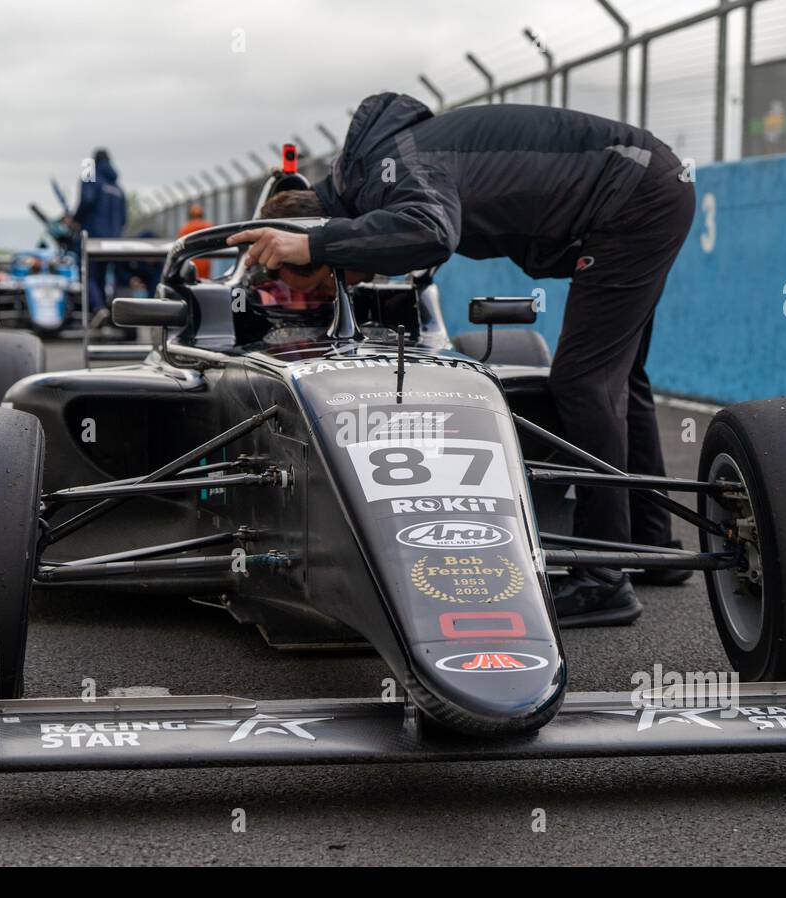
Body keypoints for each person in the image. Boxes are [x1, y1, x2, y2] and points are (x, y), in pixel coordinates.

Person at [229, 92, 695, 627]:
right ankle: (652, 545)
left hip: (632, 196)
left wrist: (318, 247)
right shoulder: (384, 165)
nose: (338, 289)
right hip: (644, 185)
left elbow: (431, 231)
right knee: (619, 376)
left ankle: (603, 579)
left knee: (584, 381)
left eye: (319, 281)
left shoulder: (393, 169)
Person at [66, 148, 127, 315]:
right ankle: (109, 310)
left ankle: (98, 308)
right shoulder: (117, 186)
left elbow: (86, 199)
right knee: (103, 276)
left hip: (93, 238)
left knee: (87, 274)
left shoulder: (90, 175)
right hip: (113, 241)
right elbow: (123, 219)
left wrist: (75, 219)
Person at [179, 203, 214, 279]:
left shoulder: (185, 228)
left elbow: (181, 245)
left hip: (190, 261)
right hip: (205, 260)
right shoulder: (208, 226)